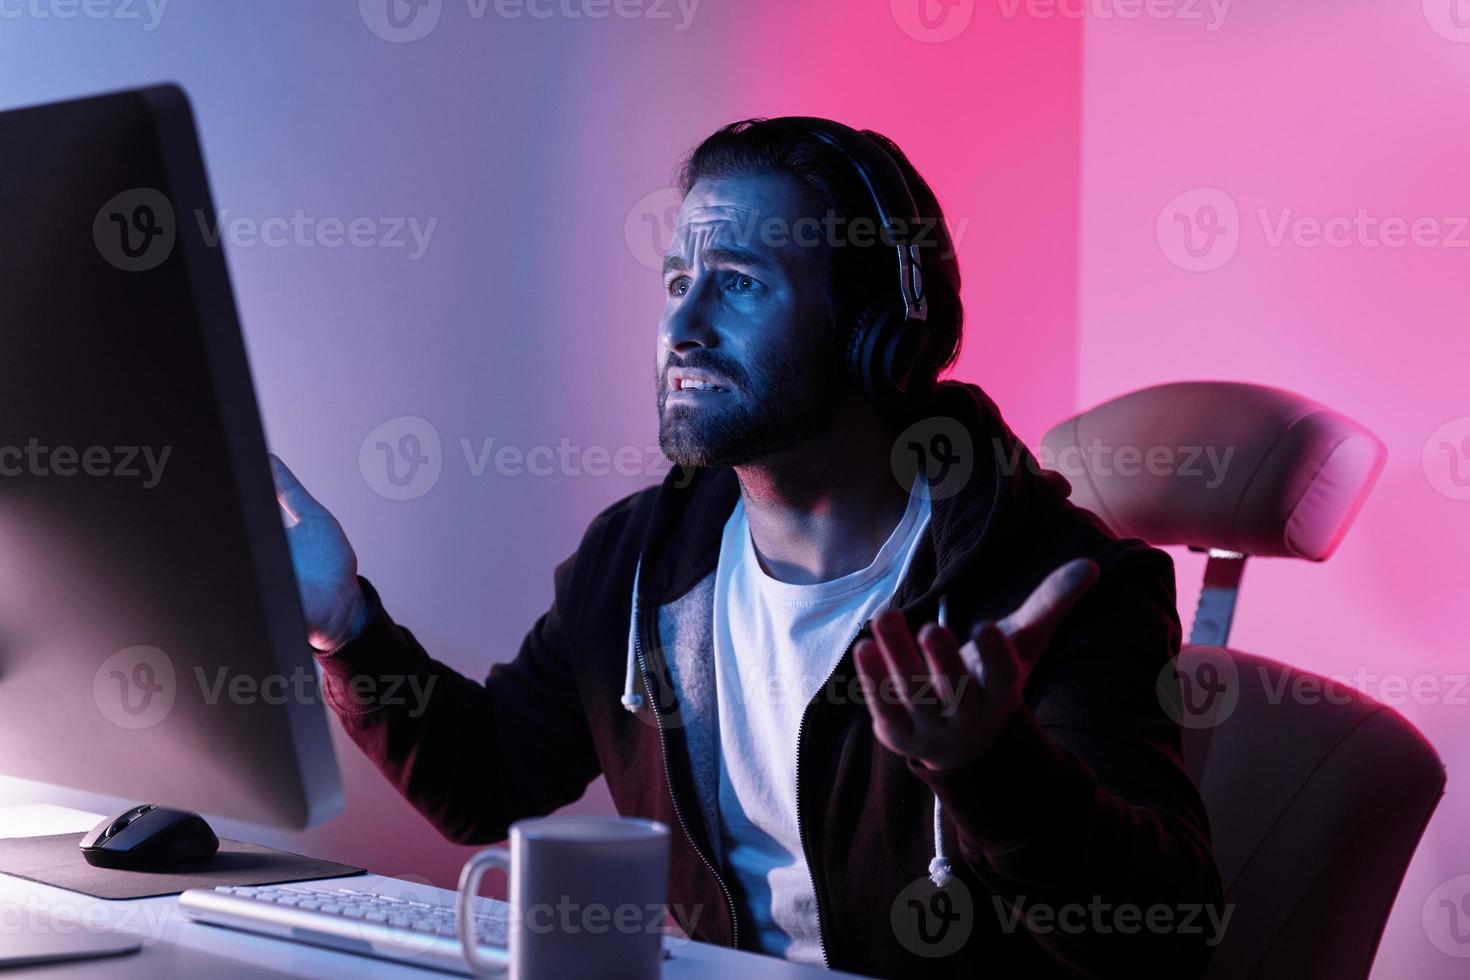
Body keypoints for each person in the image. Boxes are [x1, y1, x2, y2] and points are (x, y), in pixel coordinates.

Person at [270, 117, 1223, 977]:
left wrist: (993, 768)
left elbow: (1164, 940)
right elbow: (488, 779)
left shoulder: (1054, 587)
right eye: (676, 284)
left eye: (737, 283)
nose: (681, 328)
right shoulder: (639, 559)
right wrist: (346, 626)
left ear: (875, 333)